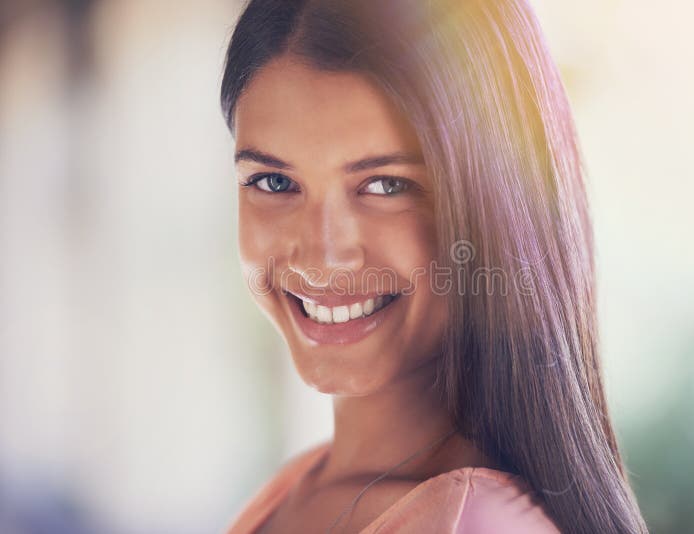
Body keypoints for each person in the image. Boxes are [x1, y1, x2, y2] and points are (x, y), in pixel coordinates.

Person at [220, 0, 649, 532]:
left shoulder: (468, 520)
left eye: (387, 185)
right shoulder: (296, 488)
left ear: (495, 209)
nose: (323, 255)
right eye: (274, 182)